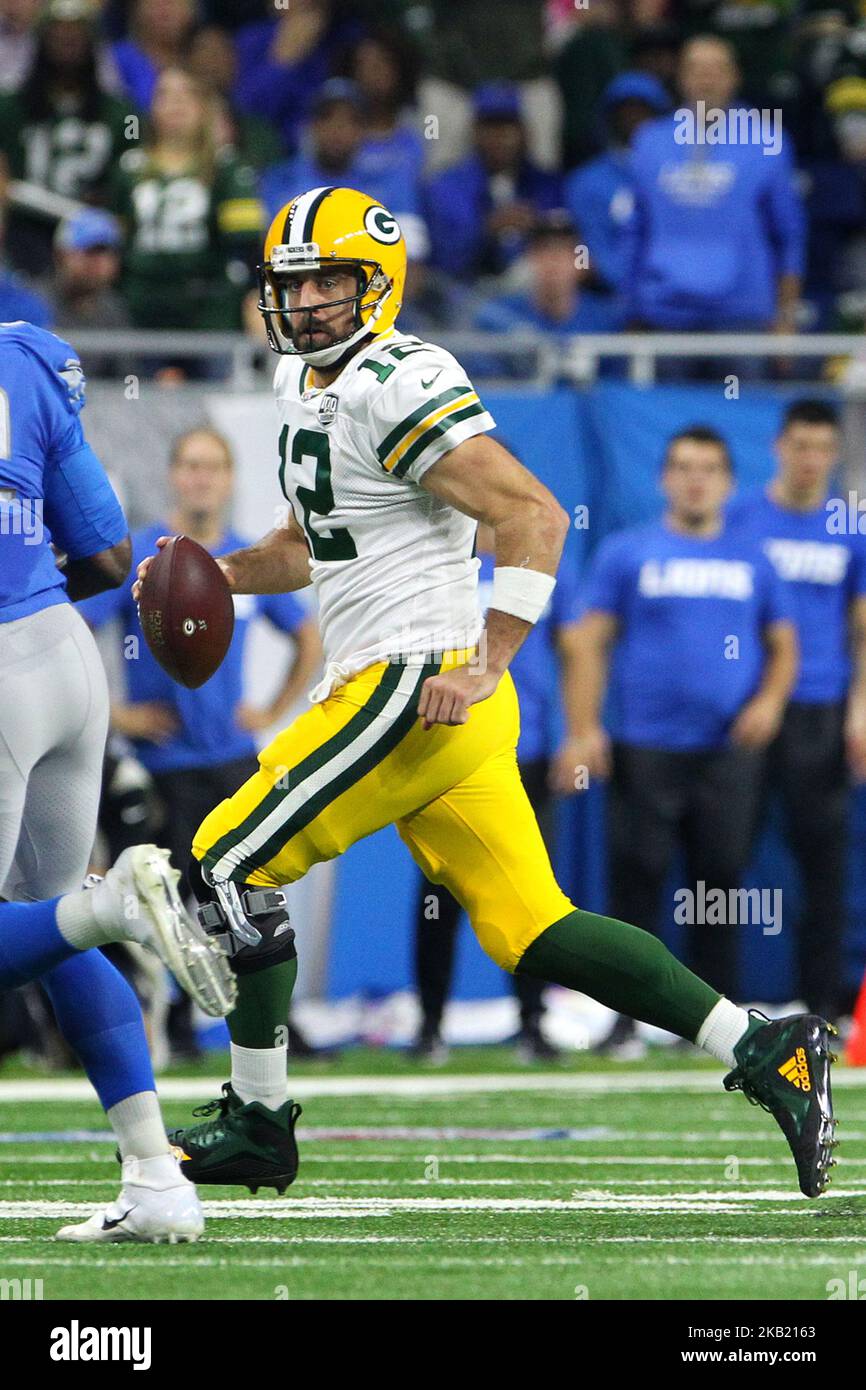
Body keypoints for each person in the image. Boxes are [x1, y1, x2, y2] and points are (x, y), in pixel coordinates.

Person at [133, 186, 838, 1205]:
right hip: (420, 696)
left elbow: (534, 516)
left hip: (416, 684)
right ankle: (764, 1041)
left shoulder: (400, 378)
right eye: (294, 282)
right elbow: (307, 546)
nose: (308, 301)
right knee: (533, 926)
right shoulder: (305, 381)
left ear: (377, 284)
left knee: (226, 861)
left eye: (328, 280)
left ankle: (256, 1119)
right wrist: (216, 571)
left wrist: (487, 659)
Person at [0, 318, 233, 1242]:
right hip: (62, 655)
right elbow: (105, 555)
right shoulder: (22, 355)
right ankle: (157, 1182)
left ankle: (115, 907)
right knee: (42, 919)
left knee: (65, 917)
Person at [80, 425, 320, 1057]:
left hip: (232, 758)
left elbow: (309, 636)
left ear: (231, 476)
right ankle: (173, 1021)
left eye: (213, 466)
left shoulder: (244, 559)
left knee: (253, 891)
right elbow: (74, 633)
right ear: (174, 474)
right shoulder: (145, 560)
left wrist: (273, 708)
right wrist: (118, 716)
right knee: (171, 899)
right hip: (163, 763)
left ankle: (272, 1020)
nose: (201, 478)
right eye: (190, 465)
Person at [566, 426, 798, 1058]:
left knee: (719, 882)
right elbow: (587, 640)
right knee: (637, 881)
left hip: (726, 751)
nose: (696, 479)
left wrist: (769, 702)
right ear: (664, 478)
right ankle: (622, 1022)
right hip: (646, 746)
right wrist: (585, 729)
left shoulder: (753, 559)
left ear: (727, 481)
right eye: (684, 467)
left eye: (709, 469)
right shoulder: (628, 551)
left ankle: (715, 1022)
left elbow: (784, 645)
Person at [412, 522, 580, 1063]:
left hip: (526, 750)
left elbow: (576, 652)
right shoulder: (437, 568)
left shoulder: (542, 569)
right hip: (448, 750)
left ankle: (533, 1021)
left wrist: (577, 733)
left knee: (531, 891)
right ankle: (430, 1024)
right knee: (439, 891)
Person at [728, 399, 866, 1022]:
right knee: (721, 859)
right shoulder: (739, 519)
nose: (810, 460)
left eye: (822, 449)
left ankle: (823, 1006)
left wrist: (860, 709)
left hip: (821, 709)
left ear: (835, 455)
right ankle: (714, 1011)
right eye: (800, 446)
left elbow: (862, 629)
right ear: (778, 447)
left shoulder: (850, 528)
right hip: (743, 711)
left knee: (823, 863)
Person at [623, 36, 805, 377]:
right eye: (696, 69)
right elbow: (636, 230)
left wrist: (786, 317)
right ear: (680, 77)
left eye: (716, 69)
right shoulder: (649, 141)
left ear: (734, 77)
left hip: (743, 313)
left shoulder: (766, 140)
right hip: (666, 312)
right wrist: (632, 310)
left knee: (741, 419)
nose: (706, 79)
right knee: (667, 422)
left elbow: (790, 233)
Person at [110, 66, 264, 358]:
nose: (175, 105)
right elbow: (118, 243)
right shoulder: (129, 169)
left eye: (186, 95)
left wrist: (250, 296)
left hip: (209, 311)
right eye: (165, 95)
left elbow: (247, 246)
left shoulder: (228, 169)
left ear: (205, 107)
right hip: (141, 308)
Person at [0, 0, 136, 276]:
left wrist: (112, 204)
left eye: (76, 36)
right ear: (40, 42)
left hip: (94, 234)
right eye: (58, 34)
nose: (67, 42)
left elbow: (134, 153)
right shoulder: (9, 107)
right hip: (24, 228)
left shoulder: (125, 114)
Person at [424, 82, 562, 281]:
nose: (499, 136)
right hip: (465, 297)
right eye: (490, 127)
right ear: (475, 132)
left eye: (507, 126)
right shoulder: (444, 187)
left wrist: (538, 230)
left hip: (534, 298)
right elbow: (440, 266)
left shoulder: (548, 185)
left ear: (524, 132)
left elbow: (568, 253)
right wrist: (486, 232)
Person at [473, 210, 625, 377]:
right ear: (531, 258)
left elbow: (619, 387)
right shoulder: (500, 316)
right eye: (544, 250)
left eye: (564, 251)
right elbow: (490, 384)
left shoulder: (605, 320)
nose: (553, 261)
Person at [564, 71, 669, 297]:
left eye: (643, 111)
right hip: (604, 296)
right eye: (625, 111)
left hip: (671, 294)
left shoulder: (678, 177)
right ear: (609, 118)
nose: (634, 119)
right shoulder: (585, 182)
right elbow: (585, 249)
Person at [110, 0, 196, 110]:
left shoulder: (205, 55)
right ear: (138, 9)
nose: (165, 11)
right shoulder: (116, 59)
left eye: (172, 2)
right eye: (156, 3)